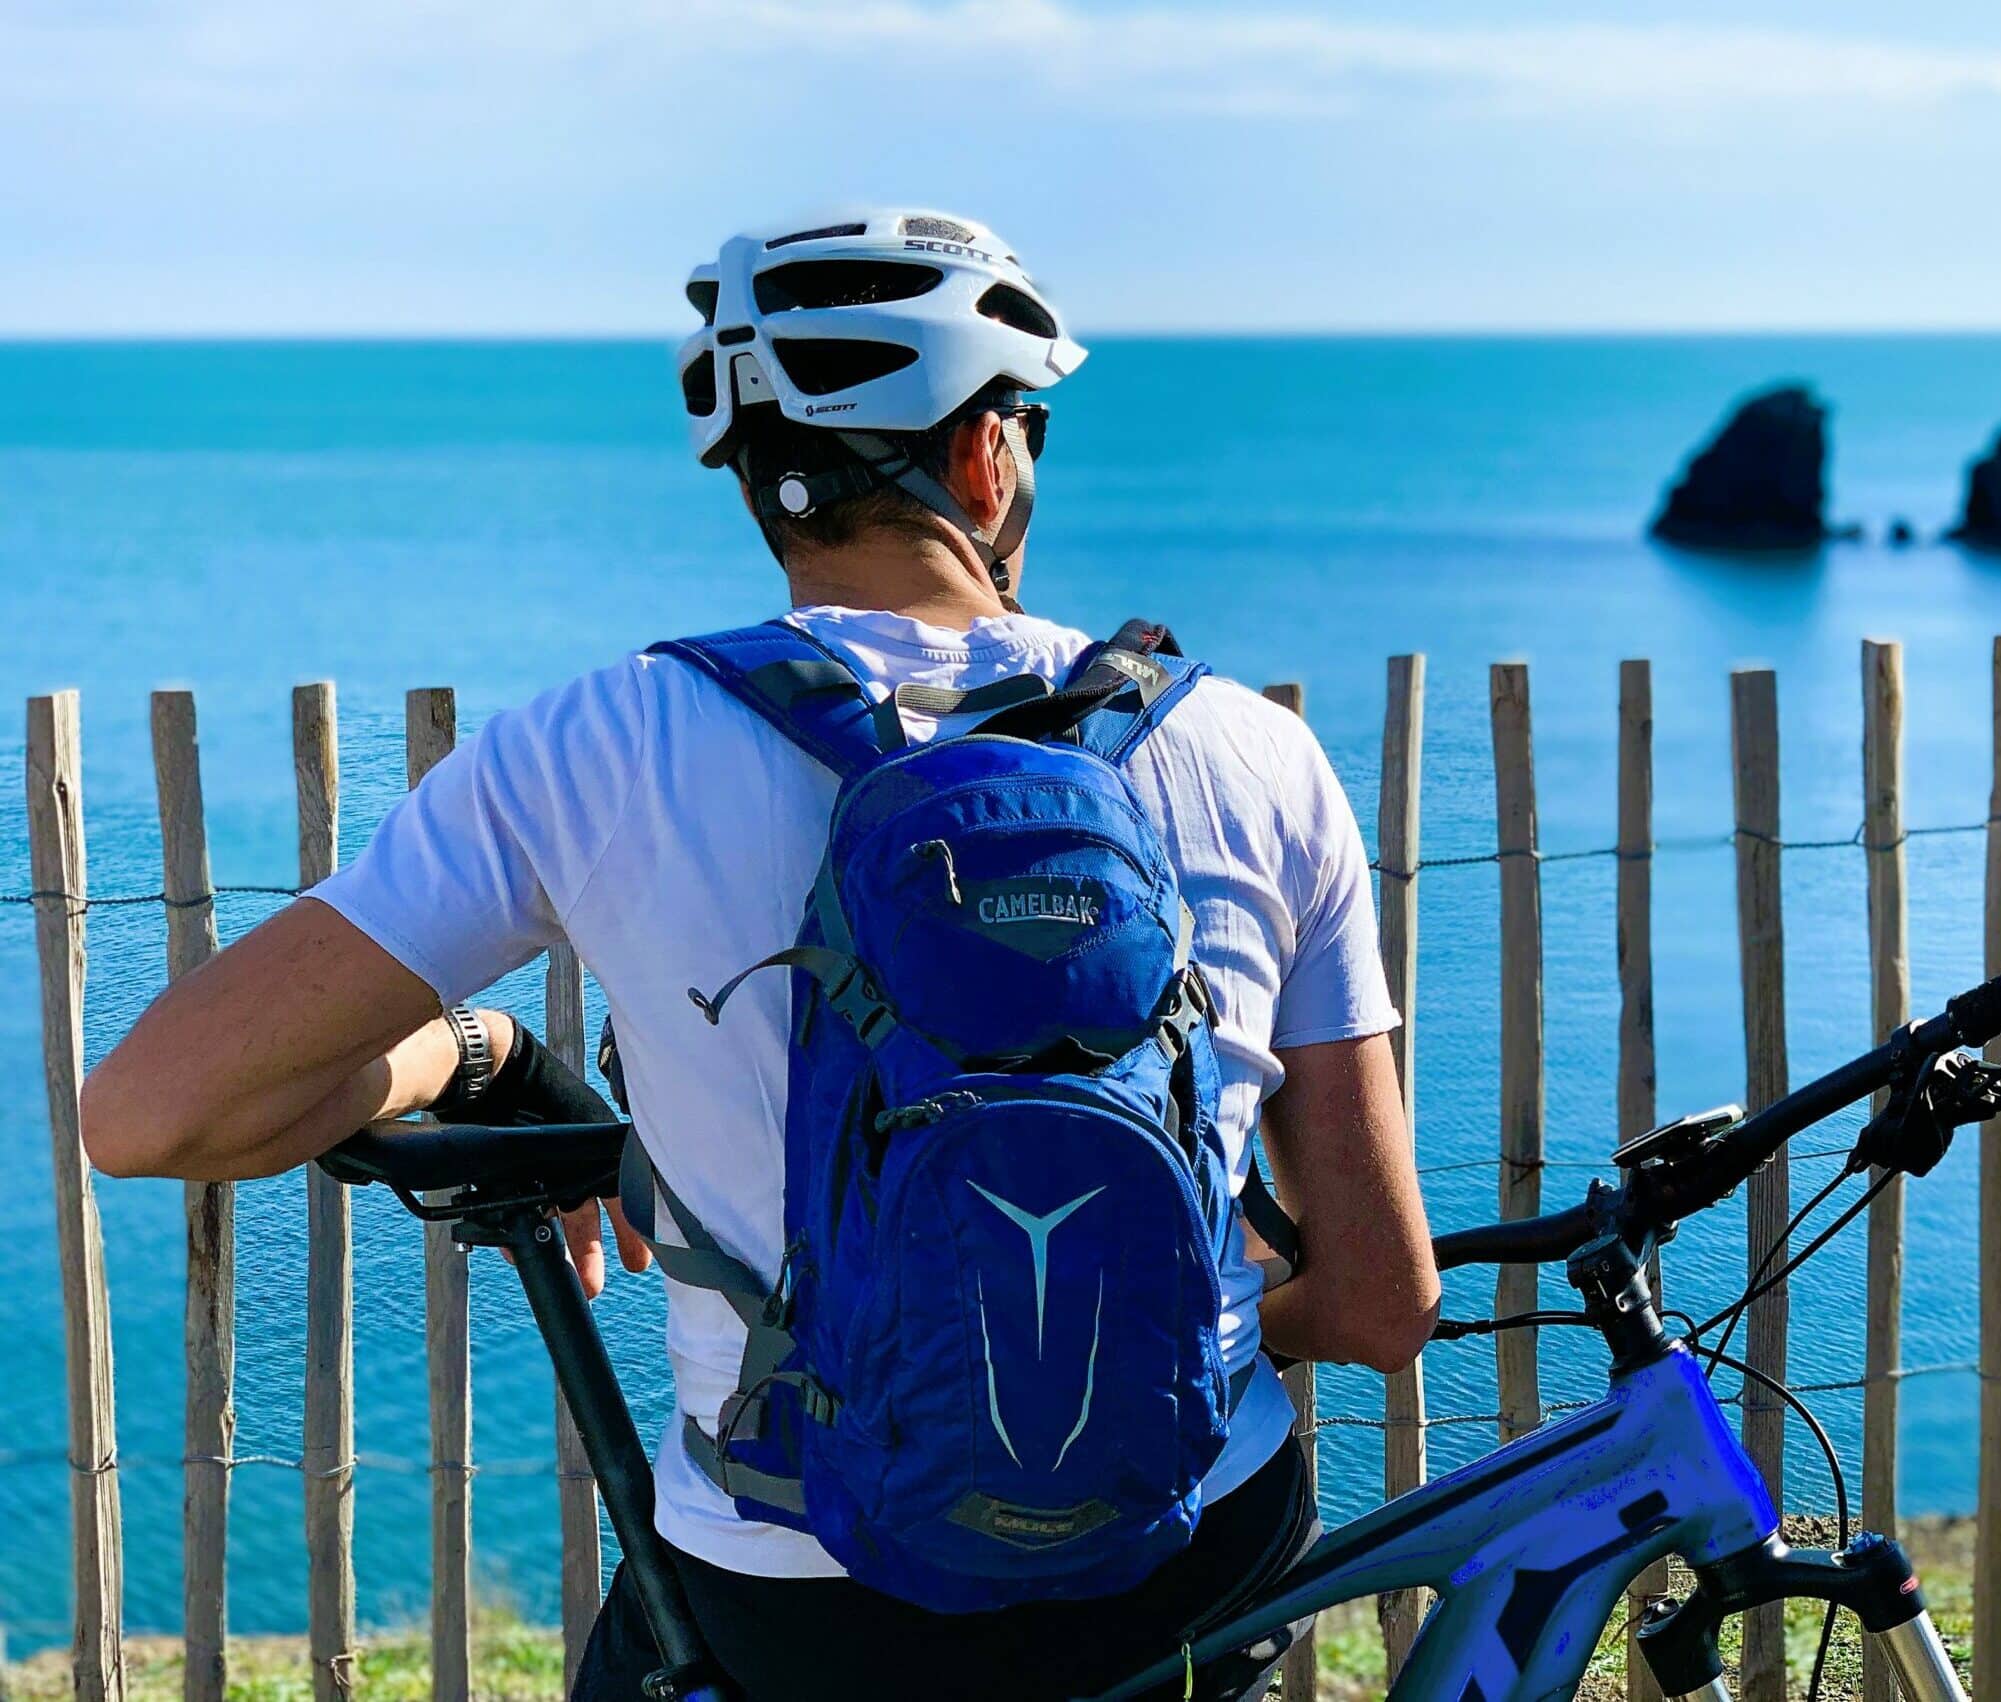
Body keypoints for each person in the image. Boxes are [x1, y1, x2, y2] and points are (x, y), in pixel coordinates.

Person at [81, 208, 1440, 1700]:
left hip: (804, 1591)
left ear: (754, 478)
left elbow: (151, 1114)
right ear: (986, 456)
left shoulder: (600, 749)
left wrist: (469, 1049)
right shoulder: (1251, 754)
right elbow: (1384, 1301)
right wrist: (1152, 1352)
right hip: (1186, 1563)